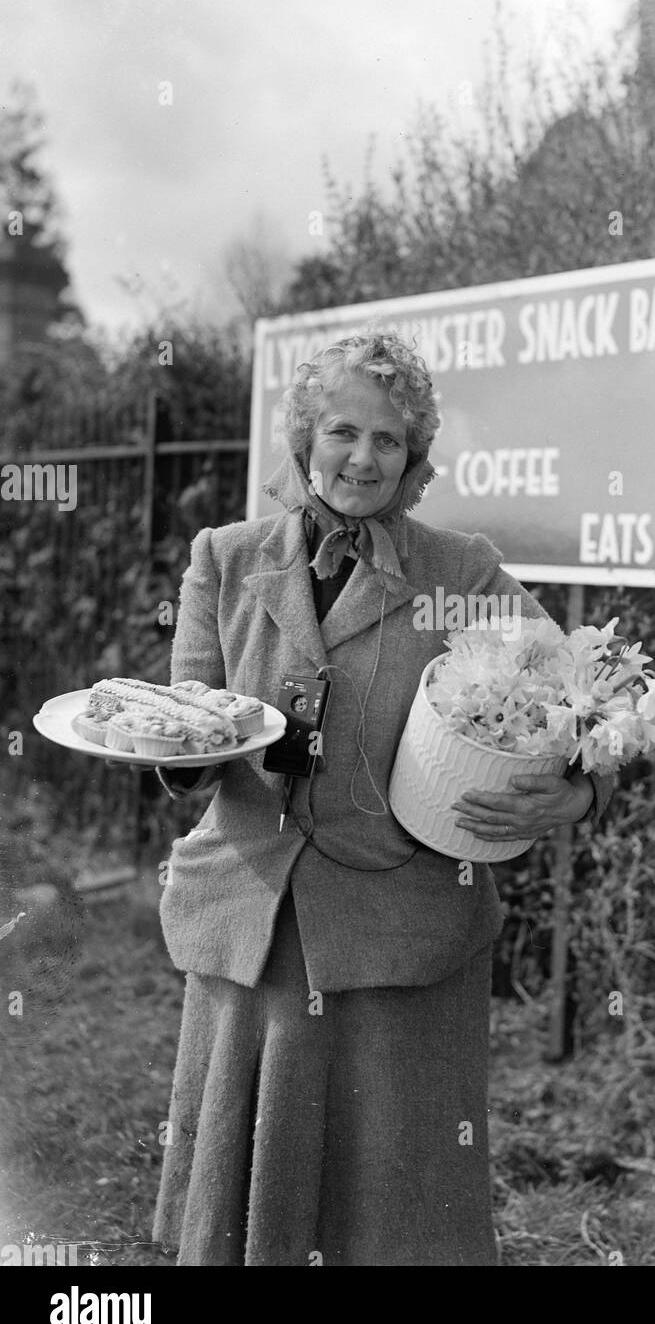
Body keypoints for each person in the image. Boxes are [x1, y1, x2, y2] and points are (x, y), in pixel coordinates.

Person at [150, 330, 615, 1266]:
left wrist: (576, 796)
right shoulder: (226, 559)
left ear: (415, 458)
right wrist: (188, 752)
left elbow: (586, 701)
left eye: (389, 441)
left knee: (394, 1213)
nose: (363, 458)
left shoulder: (463, 573)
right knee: (249, 1223)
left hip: (401, 926)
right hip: (254, 922)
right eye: (341, 432)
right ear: (303, 439)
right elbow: (186, 723)